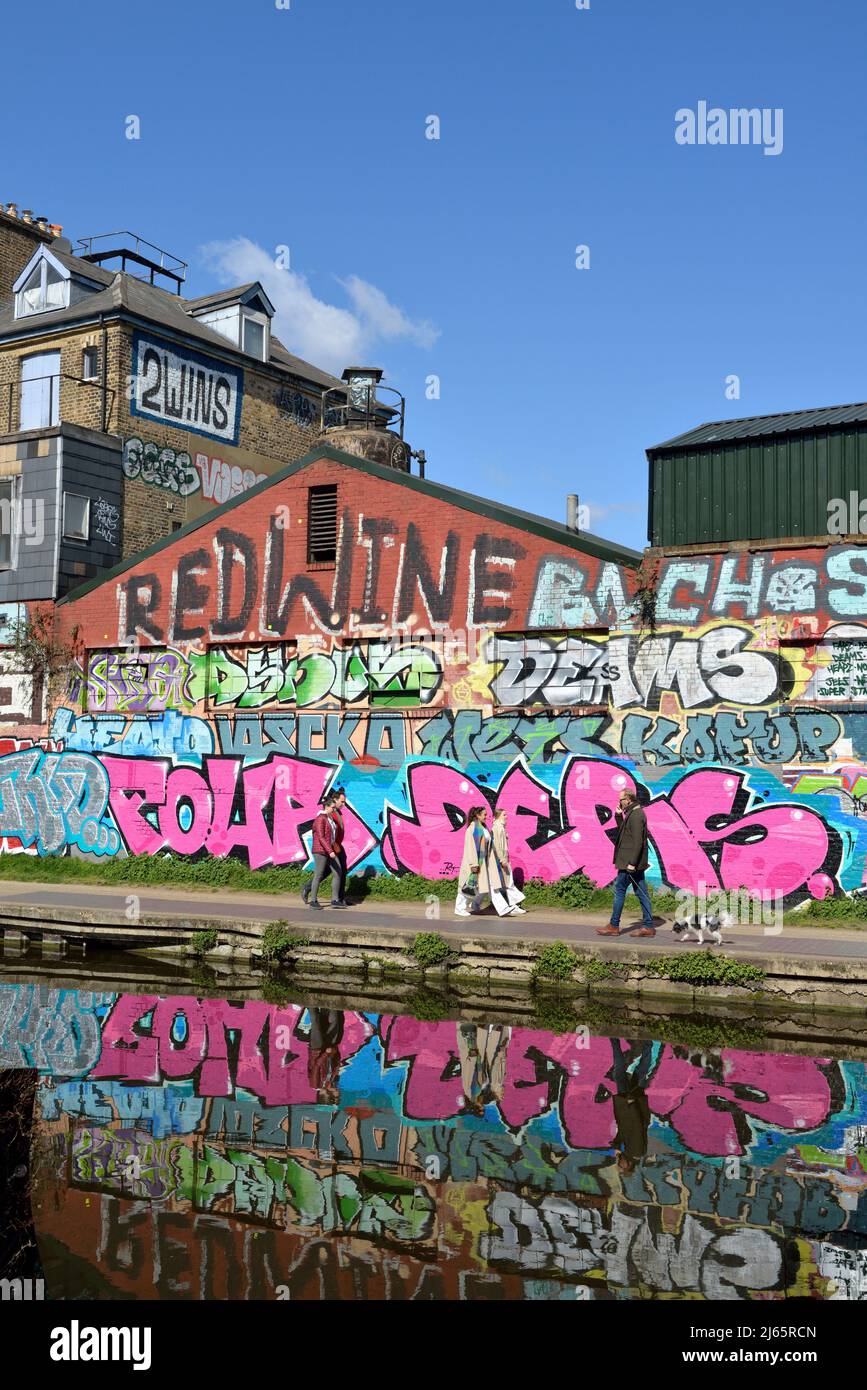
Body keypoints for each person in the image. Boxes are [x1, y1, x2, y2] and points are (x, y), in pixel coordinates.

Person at [597, 789, 656, 938]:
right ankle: (648, 926)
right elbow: (624, 832)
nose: (619, 802)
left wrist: (631, 863)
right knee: (641, 893)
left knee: (620, 891)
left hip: (629, 863)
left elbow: (637, 842)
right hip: (632, 862)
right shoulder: (633, 813)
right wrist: (618, 816)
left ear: (628, 799)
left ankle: (614, 925)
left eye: (621, 800)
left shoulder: (636, 815)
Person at [609, 1038, 653, 1174]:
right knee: (620, 1072)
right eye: (620, 1166)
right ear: (628, 1165)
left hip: (630, 1102)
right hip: (630, 1102)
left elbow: (623, 1132)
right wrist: (631, 1105)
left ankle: (647, 1044)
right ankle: (614, 1039)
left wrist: (617, 1146)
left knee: (638, 1072)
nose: (618, 1164)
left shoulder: (630, 1151)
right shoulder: (637, 1150)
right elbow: (637, 1125)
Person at [457, 1023, 511, 1116]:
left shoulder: (471, 1092)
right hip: (488, 1060)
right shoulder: (486, 1095)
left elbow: (469, 1072)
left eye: (479, 1108)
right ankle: (493, 1027)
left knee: (483, 1035)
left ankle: (485, 1027)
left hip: (477, 1059)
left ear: (473, 1106)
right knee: (491, 1037)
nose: (482, 1106)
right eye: (483, 1109)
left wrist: (472, 1053)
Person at [302, 793, 340, 910]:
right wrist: (330, 851)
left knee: (338, 872)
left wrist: (334, 848)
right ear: (326, 807)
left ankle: (335, 900)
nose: (334, 809)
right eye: (333, 807)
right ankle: (313, 901)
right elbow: (321, 837)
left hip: (330, 850)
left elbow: (331, 837)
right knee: (318, 875)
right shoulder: (320, 819)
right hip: (320, 851)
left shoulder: (329, 819)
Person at [455, 805, 492, 916]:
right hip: (474, 863)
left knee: (483, 885)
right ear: (477, 815)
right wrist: (473, 864)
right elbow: (470, 847)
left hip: (483, 862)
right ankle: (459, 908)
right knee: (467, 885)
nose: (486, 817)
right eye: (484, 815)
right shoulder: (472, 829)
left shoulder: (483, 828)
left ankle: (475, 905)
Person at [489, 808, 527, 916]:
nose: (506, 816)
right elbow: (497, 845)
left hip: (505, 859)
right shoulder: (498, 828)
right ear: (499, 816)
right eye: (504, 815)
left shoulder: (501, 827)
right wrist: (502, 859)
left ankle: (514, 905)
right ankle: (513, 905)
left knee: (508, 883)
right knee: (508, 883)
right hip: (502, 860)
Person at [306, 1007, 344, 1105]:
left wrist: (326, 1053)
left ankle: (310, 1002)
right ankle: (332, 1003)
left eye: (328, 1096)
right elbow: (335, 1062)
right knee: (334, 1021)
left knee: (315, 1023)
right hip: (329, 1048)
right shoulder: (330, 1080)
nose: (329, 1094)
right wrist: (334, 1051)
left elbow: (316, 1066)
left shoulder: (314, 1084)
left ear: (322, 1096)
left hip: (317, 1049)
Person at [328, 786, 349, 908]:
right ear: (334, 800)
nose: (343, 804)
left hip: (338, 846)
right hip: (332, 846)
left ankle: (340, 898)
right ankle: (336, 900)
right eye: (342, 801)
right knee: (335, 872)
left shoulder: (338, 812)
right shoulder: (330, 813)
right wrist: (331, 848)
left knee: (341, 871)